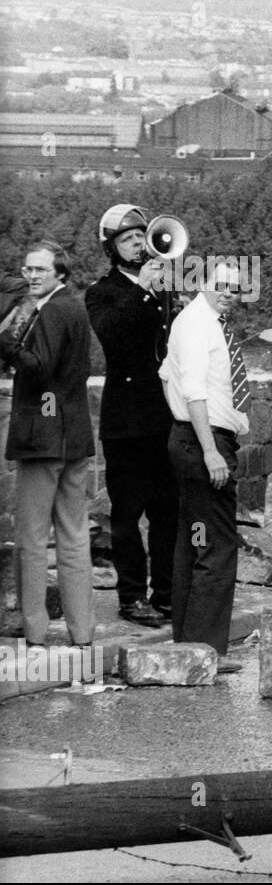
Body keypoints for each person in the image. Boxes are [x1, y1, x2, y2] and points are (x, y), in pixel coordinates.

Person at [85, 204, 178, 627]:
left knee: (167, 511)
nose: (139, 244)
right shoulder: (102, 291)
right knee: (126, 515)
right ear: (112, 248)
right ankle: (130, 597)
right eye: (128, 239)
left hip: (163, 416)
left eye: (141, 236)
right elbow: (113, 337)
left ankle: (166, 594)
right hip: (126, 421)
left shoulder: (165, 286)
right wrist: (143, 290)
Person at [0, 241, 96, 648]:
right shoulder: (73, 306)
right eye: (28, 270)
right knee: (74, 538)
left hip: (43, 441)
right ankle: (83, 633)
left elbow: (39, 369)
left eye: (40, 270)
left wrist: (6, 343)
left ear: (60, 273)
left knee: (32, 540)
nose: (32, 276)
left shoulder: (53, 310)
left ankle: (36, 633)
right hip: (73, 439)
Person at [158, 262, 248, 670]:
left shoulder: (202, 320)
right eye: (221, 286)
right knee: (217, 544)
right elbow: (192, 390)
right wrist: (208, 449)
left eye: (235, 288)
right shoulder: (198, 323)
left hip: (191, 438)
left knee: (193, 542)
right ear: (203, 284)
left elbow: (165, 375)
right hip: (203, 441)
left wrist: (182, 427)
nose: (229, 293)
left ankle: (189, 644)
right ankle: (206, 651)